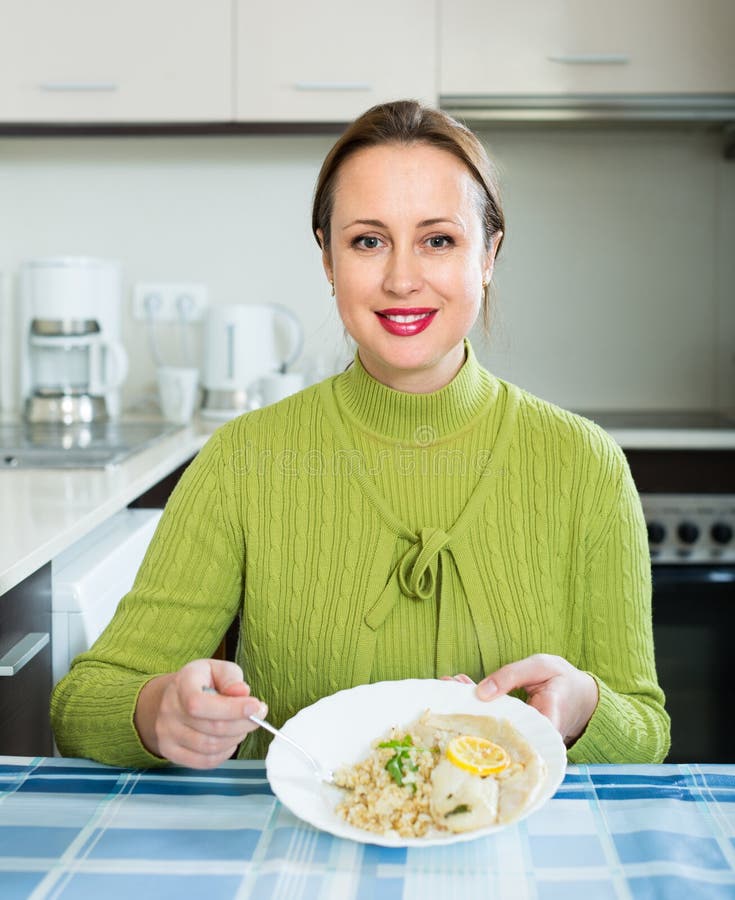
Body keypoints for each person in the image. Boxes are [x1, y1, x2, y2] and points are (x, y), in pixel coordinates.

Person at [51, 100, 670, 769]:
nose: (402, 279)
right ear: (327, 260)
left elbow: (645, 729)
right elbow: (83, 703)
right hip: (289, 863)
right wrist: (158, 714)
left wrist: (582, 710)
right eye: (367, 241)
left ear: (487, 254)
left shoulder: (583, 463)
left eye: (438, 239)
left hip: (511, 867)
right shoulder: (243, 460)